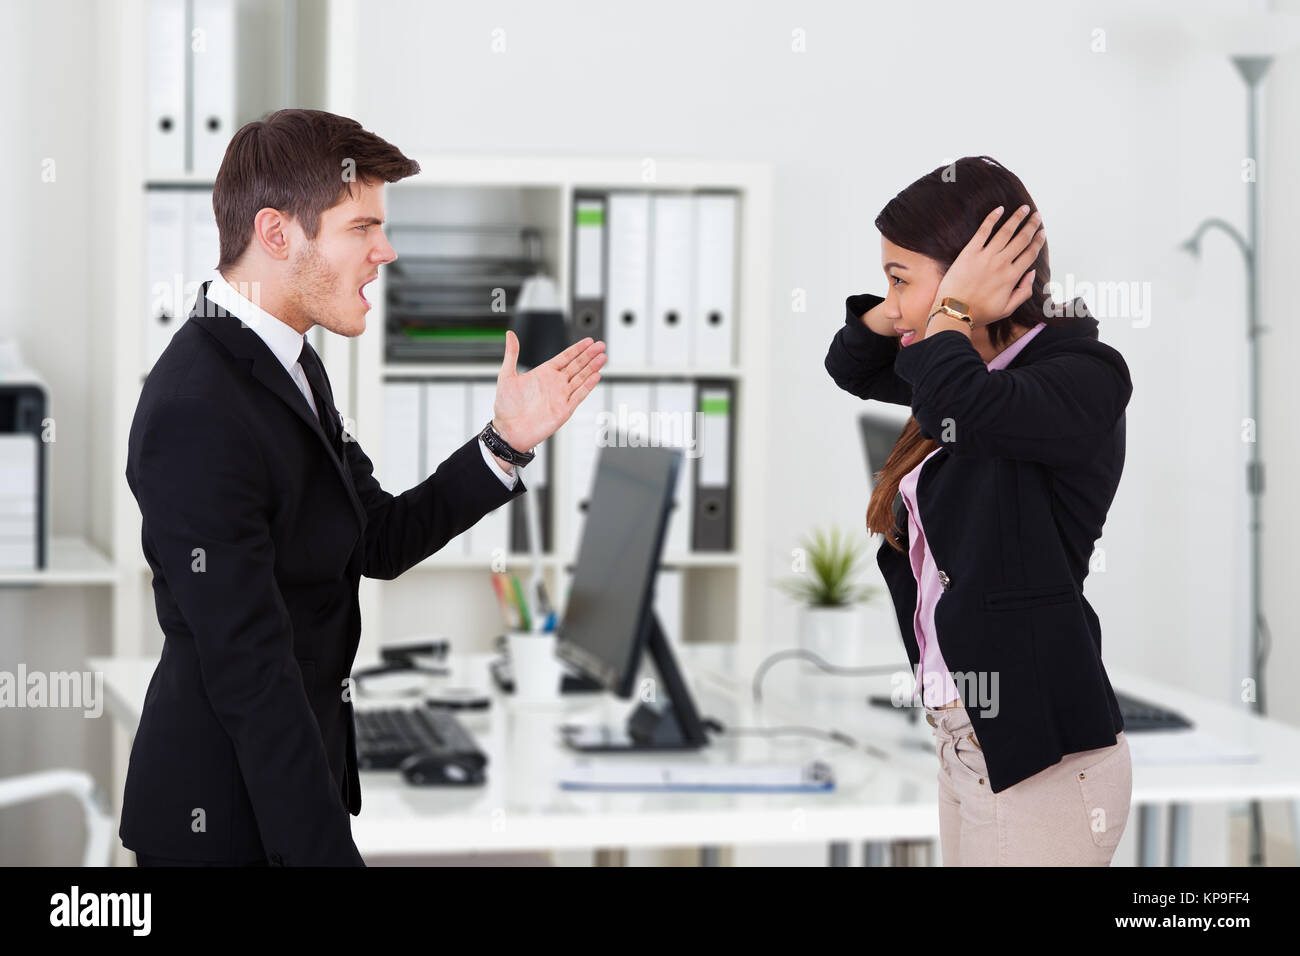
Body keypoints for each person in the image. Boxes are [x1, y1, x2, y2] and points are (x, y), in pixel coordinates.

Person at [121, 109, 606, 866]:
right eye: (362, 227)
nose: (386, 250)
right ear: (278, 234)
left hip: (288, 795)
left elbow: (374, 537)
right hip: (228, 821)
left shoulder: (290, 363)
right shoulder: (198, 408)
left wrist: (504, 443)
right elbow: (251, 673)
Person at [824, 155, 1133, 866]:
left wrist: (951, 306)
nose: (892, 304)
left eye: (900, 279)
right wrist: (928, 305)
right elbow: (854, 365)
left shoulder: (1081, 377)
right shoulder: (977, 370)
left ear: (976, 275)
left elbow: (958, 405)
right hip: (969, 745)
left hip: (1042, 765)